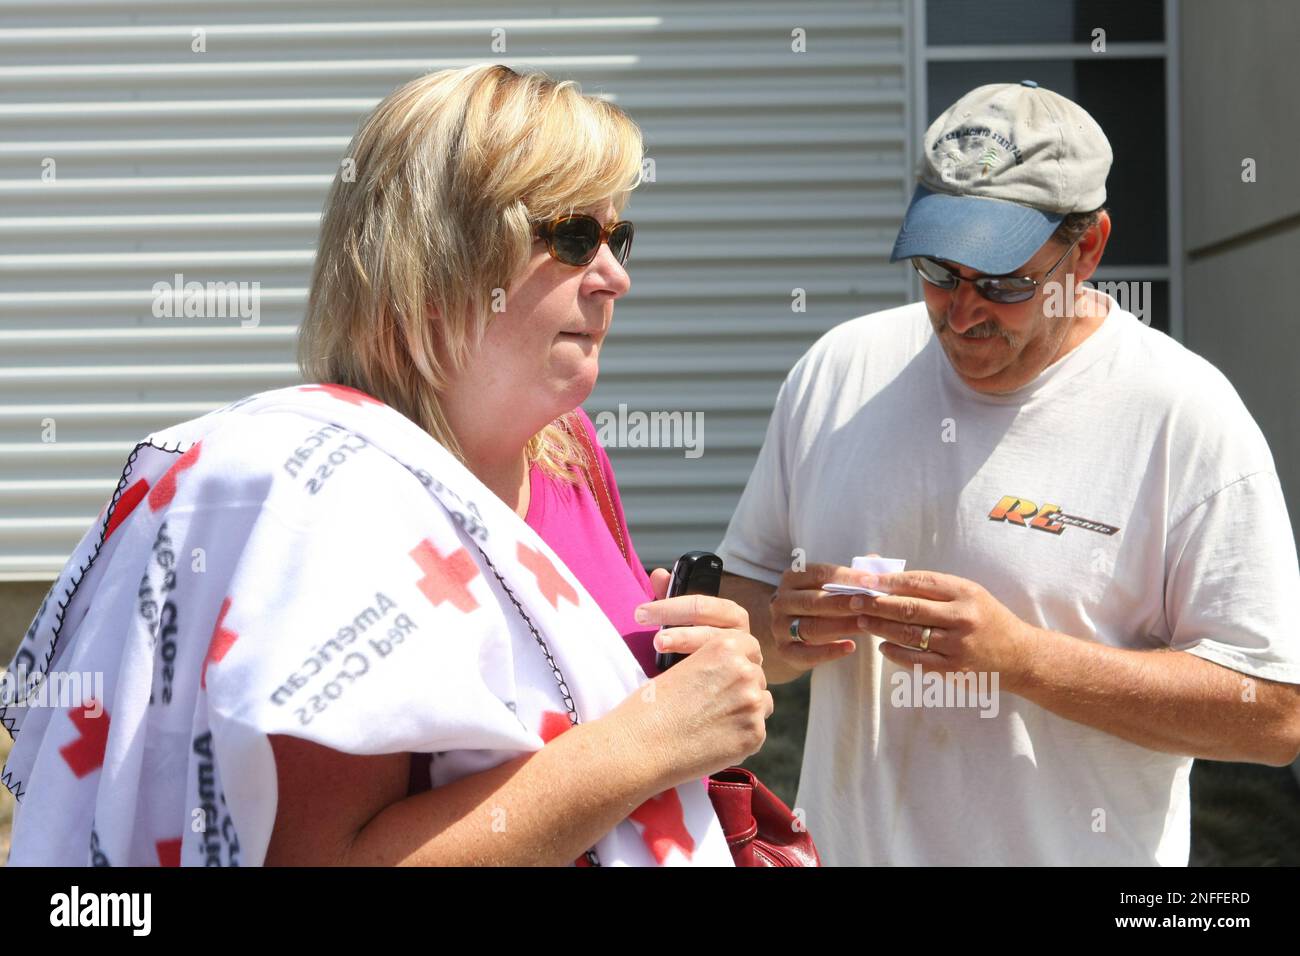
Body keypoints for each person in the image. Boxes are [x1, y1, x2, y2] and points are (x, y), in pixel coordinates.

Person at [0, 64, 771, 867]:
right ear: (436, 268)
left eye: (621, 237)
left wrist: (706, 678)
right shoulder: (334, 497)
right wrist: (648, 742)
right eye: (575, 237)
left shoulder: (568, 454)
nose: (616, 276)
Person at [711, 81, 1300, 865]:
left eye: (1004, 283)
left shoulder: (1182, 414)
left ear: (1087, 250)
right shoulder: (841, 372)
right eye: (937, 271)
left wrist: (1022, 659)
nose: (962, 313)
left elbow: (1271, 716)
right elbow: (745, 608)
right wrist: (787, 628)